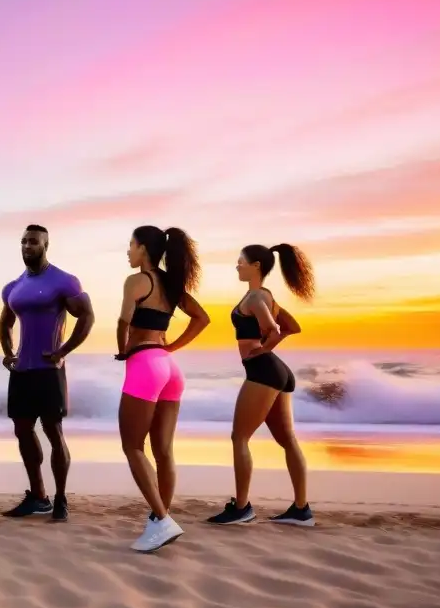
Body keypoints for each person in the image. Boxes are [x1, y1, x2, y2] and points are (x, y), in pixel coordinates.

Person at [116, 226, 211, 552]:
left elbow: (124, 322)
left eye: (131, 245)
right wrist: (172, 349)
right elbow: (202, 318)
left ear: (143, 248)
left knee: (132, 447)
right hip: (169, 369)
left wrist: (123, 349)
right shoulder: (170, 284)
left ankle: (161, 517)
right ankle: (160, 521)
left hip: (144, 366)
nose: (128, 251)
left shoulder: (137, 281)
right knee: (164, 451)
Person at [208, 243, 315, 527]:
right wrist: (269, 348)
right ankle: (301, 509)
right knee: (288, 439)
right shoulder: (267, 296)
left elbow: (275, 329)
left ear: (256, 266)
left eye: (241, 261)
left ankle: (241, 507)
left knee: (239, 437)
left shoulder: (255, 297)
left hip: (263, 371)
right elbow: (293, 327)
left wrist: (264, 349)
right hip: (278, 371)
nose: (237, 266)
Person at [0, 224, 94, 522]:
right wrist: (8, 352)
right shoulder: (13, 287)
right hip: (22, 371)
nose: (27, 246)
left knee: (54, 432)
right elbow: (5, 323)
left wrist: (62, 351)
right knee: (22, 431)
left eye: (34, 242)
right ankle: (38, 496)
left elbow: (87, 316)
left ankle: (61, 498)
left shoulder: (63, 281)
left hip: (49, 371)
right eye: (24, 241)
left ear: (46, 245)